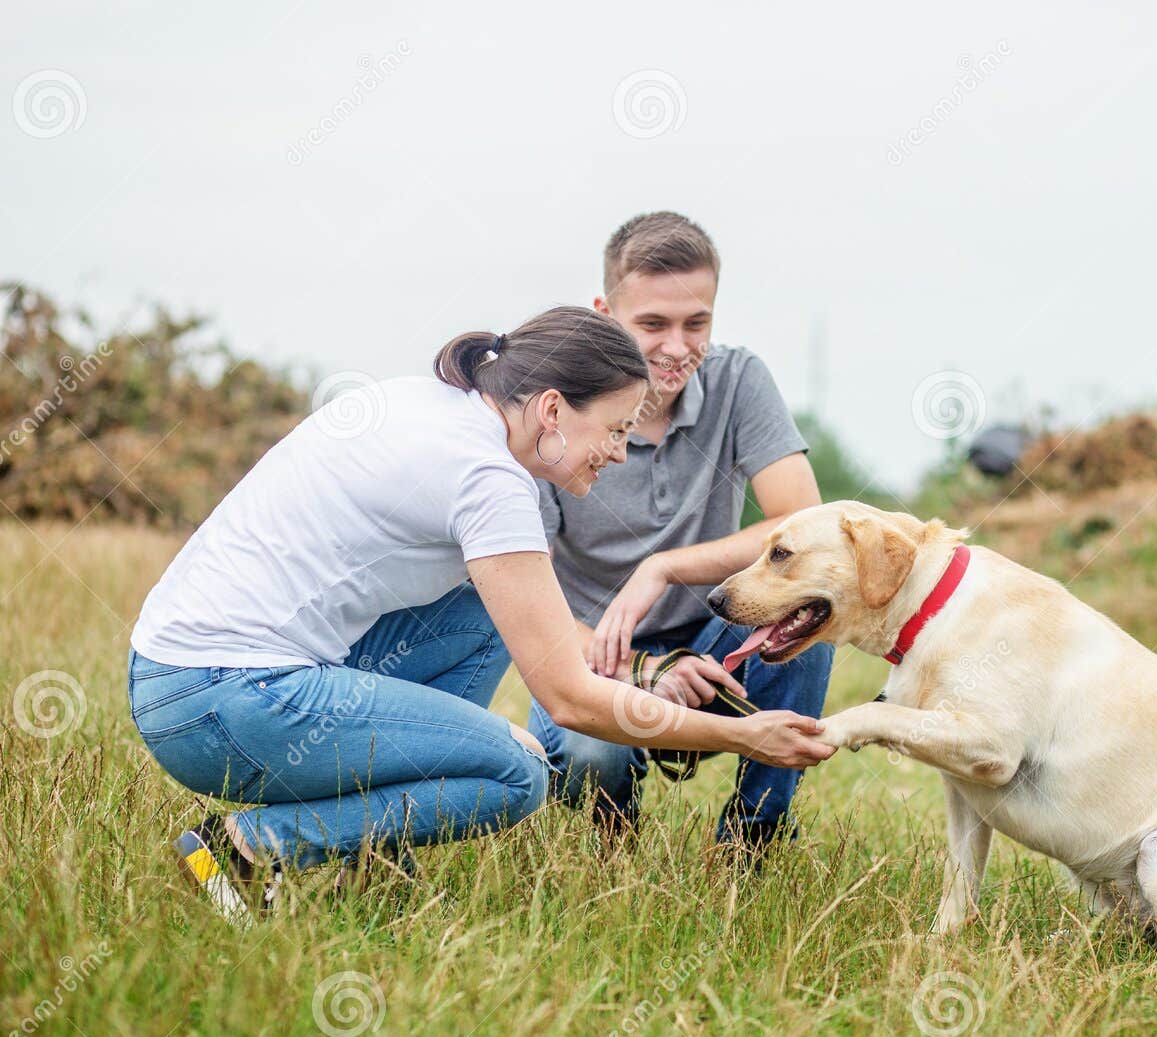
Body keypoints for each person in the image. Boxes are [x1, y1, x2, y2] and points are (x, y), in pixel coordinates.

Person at [128, 305, 833, 921]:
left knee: (481, 609)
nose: (619, 453)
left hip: (180, 680)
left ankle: (374, 860)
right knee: (515, 774)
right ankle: (247, 850)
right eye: (615, 429)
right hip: (226, 703)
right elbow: (570, 699)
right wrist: (745, 737)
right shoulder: (488, 479)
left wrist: (640, 670)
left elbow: (538, 628)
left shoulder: (435, 406)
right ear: (552, 410)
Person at [529, 212, 832, 854]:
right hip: (596, 658)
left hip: (716, 637)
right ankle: (612, 853)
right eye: (652, 325)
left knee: (806, 615)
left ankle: (751, 841)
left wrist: (664, 567)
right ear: (605, 314)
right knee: (591, 755)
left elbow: (803, 525)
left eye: (696, 324)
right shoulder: (555, 411)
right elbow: (533, 606)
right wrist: (642, 667)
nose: (677, 347)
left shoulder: (738, 379)